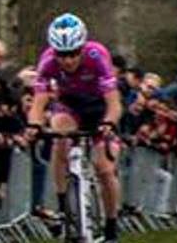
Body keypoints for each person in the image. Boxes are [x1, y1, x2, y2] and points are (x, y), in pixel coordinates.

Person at [25, 13, 123, 242]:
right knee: (60, 136)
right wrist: (33, 125)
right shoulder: (47, 60)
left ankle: (111, 226)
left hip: (99, 108)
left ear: (82, 47)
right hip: (70, 107)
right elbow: (38, 102)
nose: (67, 61)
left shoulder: (96, 55)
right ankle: (64, 207)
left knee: (105, 170)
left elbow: (114, 103)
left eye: (73, 53)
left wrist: (108, 122)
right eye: (62, 54)